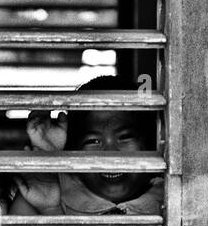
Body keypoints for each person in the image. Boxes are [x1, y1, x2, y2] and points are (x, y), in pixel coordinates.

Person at [13, 75, 164, 216]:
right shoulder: (52, 191)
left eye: (124, 137)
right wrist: (51, 208)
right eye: (93, 141)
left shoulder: (171, 197)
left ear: (149, 142)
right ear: (73, 150)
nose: (110, 154)